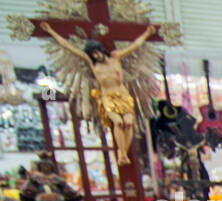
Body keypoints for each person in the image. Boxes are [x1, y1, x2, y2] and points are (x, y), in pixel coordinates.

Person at [40, 21, 157, 166]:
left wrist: (147, 33)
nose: (96, 56)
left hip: (123, 95)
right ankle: (122, 153)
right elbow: (68, 46)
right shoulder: (92, 63)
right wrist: (51, 31)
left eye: (96, 52)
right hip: (108, 96)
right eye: (93, 54)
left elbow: (134, 46)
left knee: (128, 123)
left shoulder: (115, 57)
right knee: (119, 123)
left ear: (101, 50)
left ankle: (123, 153)